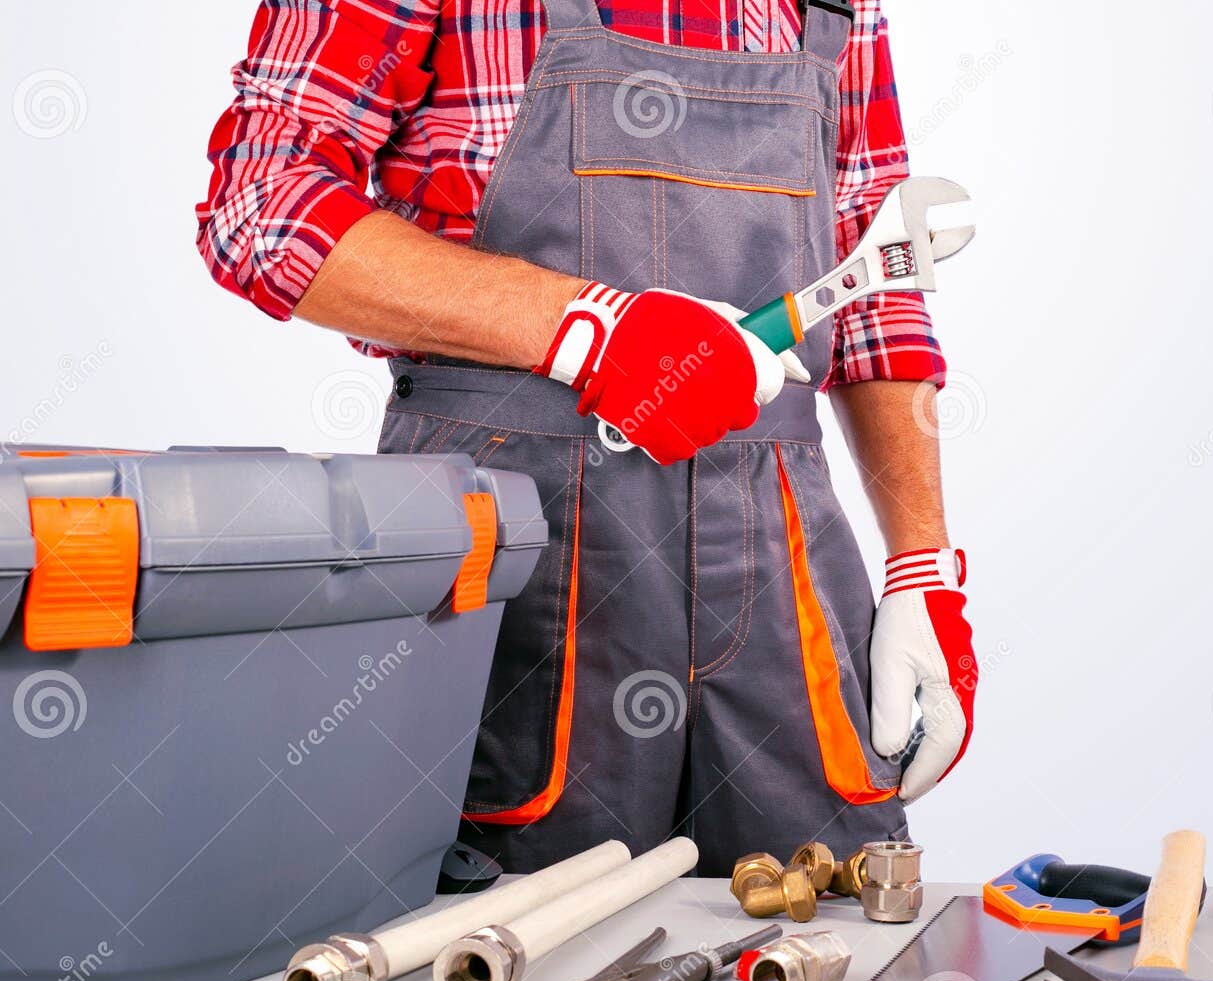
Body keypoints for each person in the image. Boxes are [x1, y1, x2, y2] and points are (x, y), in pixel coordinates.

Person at [197, 0, 976, 876]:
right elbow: (262, 206)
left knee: (828, 933)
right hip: (516, 545)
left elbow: (869, 261)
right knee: (492, 952)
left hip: (781, 558)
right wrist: (590, 328)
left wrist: (922, 565)